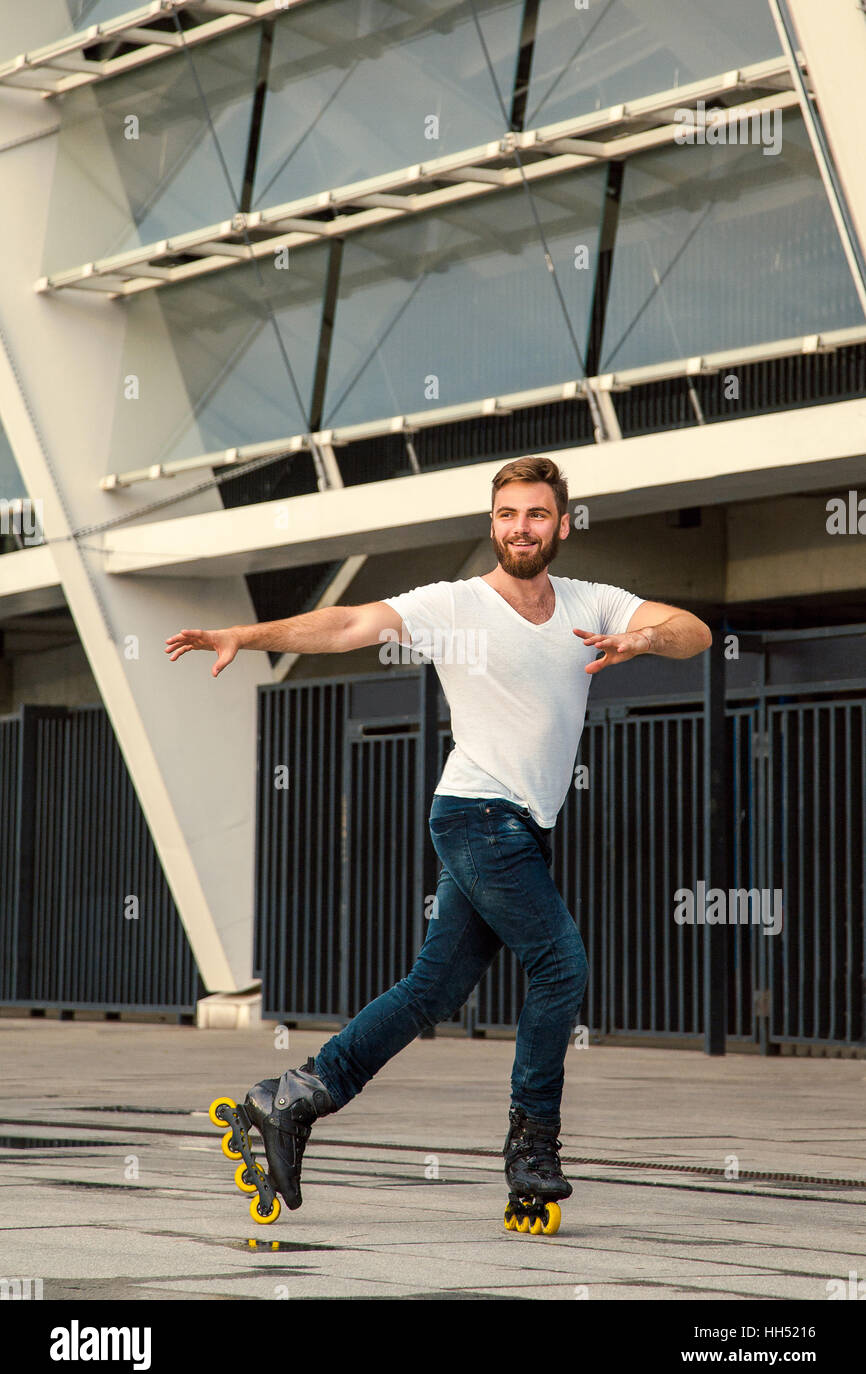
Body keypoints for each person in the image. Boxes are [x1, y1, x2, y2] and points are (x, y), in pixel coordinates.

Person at [167, 455, 711, 1228]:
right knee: (560, 962)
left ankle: (289, 1100)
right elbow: (351, 623)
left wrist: (645, 640)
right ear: (491, 525)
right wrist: (242, 633)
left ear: (561, 523)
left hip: (520, 824)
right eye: (506, 515)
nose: (520, 528)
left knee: (433, 991)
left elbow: (695, 631)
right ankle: (532, 1146)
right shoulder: (456, 604)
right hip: (478, 814)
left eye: (535, 515)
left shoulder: (593, 602)